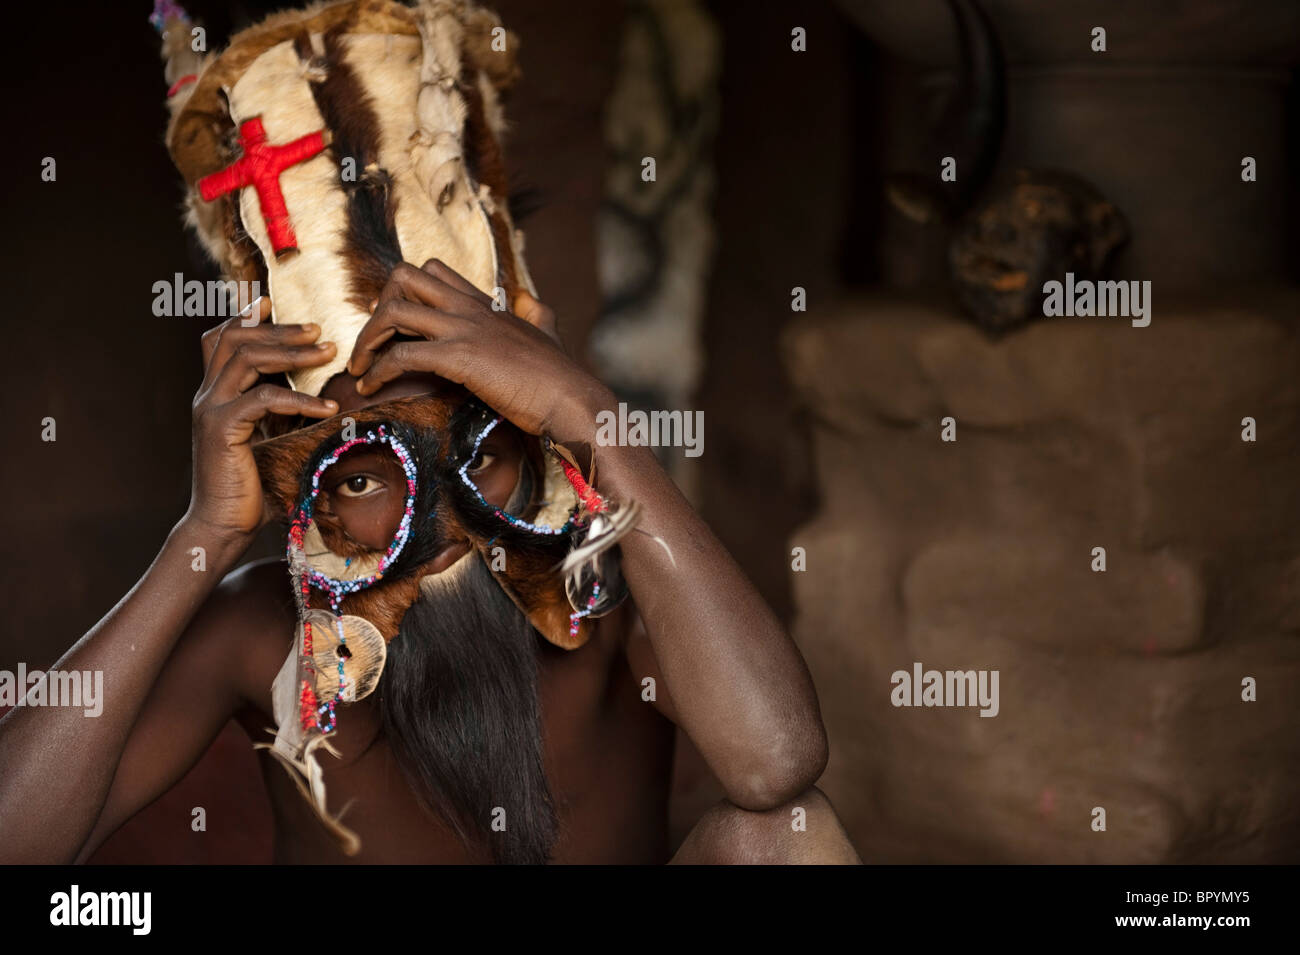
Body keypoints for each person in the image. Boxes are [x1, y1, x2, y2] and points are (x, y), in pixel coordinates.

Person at [0, 257, 860, 865]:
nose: (438, 512)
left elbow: (776, 762)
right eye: (373, 474)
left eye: (477, 450)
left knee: (781, 837)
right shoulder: (260, 631)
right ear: (316, 504)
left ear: (533, 451)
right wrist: (205, 533)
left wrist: (591, 414)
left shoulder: (607, 593)